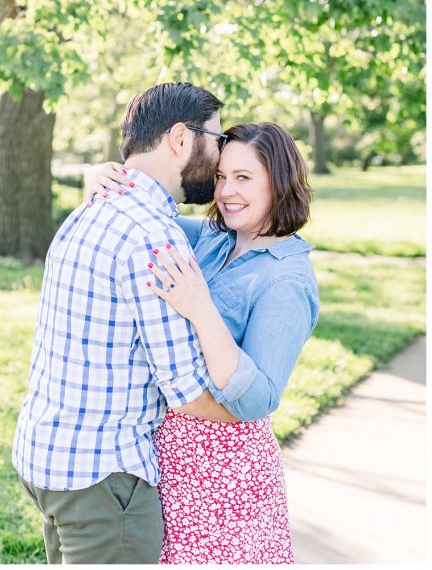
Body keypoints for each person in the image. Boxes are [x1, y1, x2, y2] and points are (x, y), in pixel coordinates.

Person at [12, 83, 240, 565]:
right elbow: (186, 389)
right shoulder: (152, 237)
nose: (219, 158)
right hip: (102, 477)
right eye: (216, 140)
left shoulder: (89, 210)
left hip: (47, 457)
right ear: (180, 139)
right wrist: (248, 416)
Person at [85, 122, 319, 564]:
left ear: (280, 181)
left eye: (244, 178)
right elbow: (150, 219)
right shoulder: (215, 238)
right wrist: (102, 176)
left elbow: (259, 398)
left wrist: (201, 308)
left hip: (225, 477)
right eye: (221, 177)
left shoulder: (287, 279)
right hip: (168, 459)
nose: (227, 191)